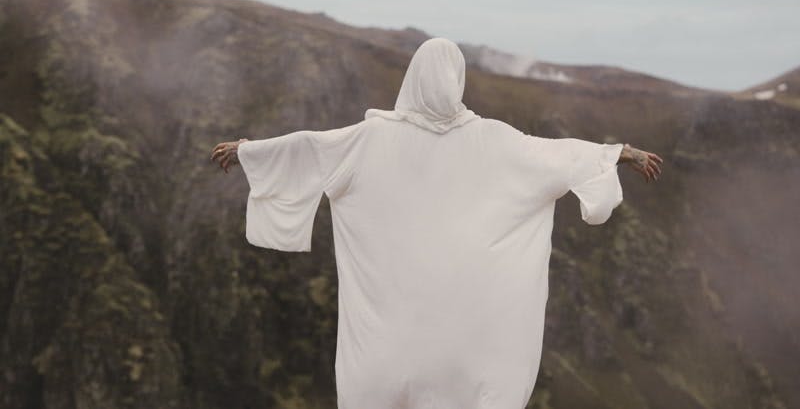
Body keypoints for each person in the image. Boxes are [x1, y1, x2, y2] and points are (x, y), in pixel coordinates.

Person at [211, 37, 662, 408]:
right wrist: (621, 154)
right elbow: (558, 154)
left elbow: (308, 150)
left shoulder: (369, 139)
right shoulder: (495, 140)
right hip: (468, 340)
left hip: (388, 336)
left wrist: (248, 150)